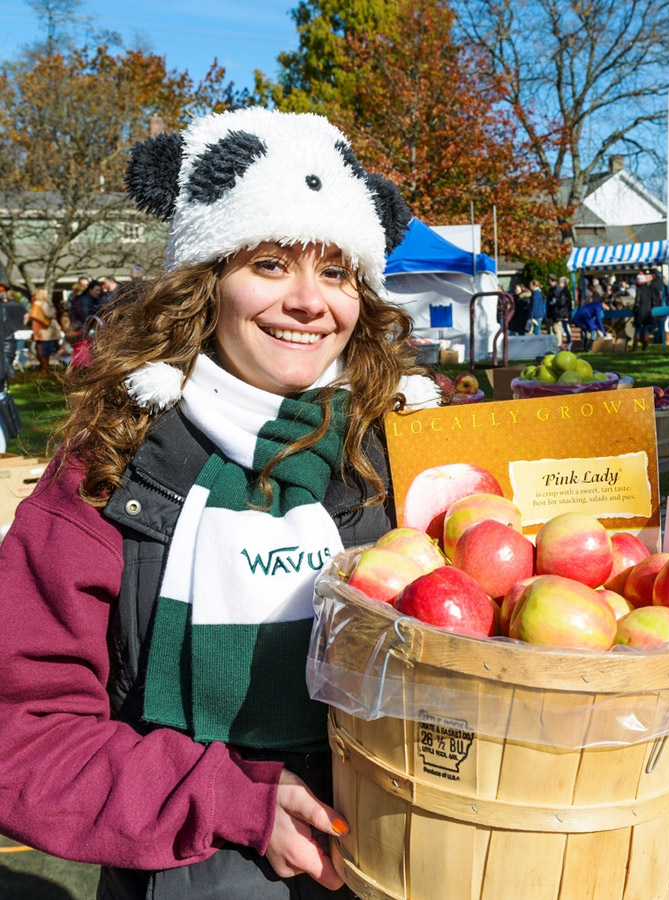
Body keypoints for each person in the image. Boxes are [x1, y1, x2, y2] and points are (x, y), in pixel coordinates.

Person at [0, 108, 445, 899]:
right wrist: (230, 800)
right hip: (197, 873)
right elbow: (22, 737)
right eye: (270, 263)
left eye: (336, 272)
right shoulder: (108, 466)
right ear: (204, 280)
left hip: (404, 860)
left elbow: (521, 648)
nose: (309, 301)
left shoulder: (406, 452)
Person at [29, 286, 63, 375]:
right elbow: (49, 313)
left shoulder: (34, 303)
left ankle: (44, 368)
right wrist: (52, 307)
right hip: (46, 330)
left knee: (42, 349)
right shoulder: (43, 303)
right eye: (45, 293)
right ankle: (45, 368)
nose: (46, 294)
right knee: (46, 350)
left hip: (39, 329)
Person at [632, 272, 656, 350]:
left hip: (640, 312)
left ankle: (635, 347)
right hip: (648, 312)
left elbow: (637, 303)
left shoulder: (639, 290)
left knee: (637, 330)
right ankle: (645, 347)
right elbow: (653, 302)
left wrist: (634, 309)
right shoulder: (650, 289)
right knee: (646, 330)